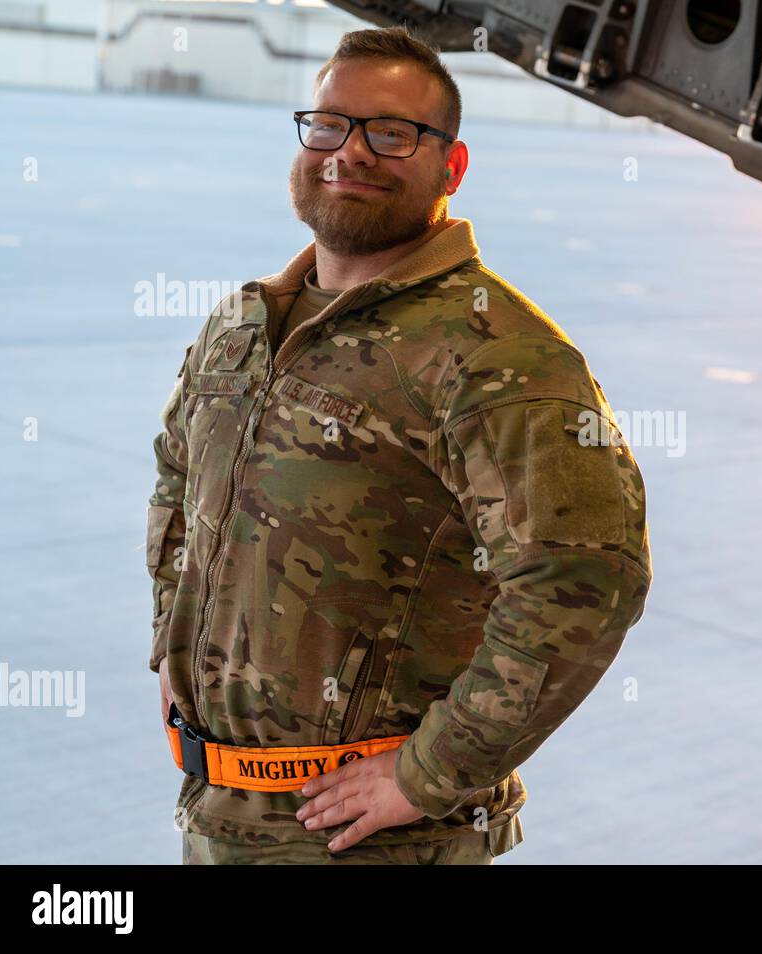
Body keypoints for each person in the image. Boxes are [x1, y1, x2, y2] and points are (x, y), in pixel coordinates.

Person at [146, 24, 652, 865]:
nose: (351, 152)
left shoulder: (497, 355)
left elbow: (586, 578)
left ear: (450, 168)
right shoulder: (244, 322)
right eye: (331, 124)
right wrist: (171, 635)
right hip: (221, 814)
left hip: (372, 842)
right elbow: (175, 473)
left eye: (393, 132)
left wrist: (427, 773)